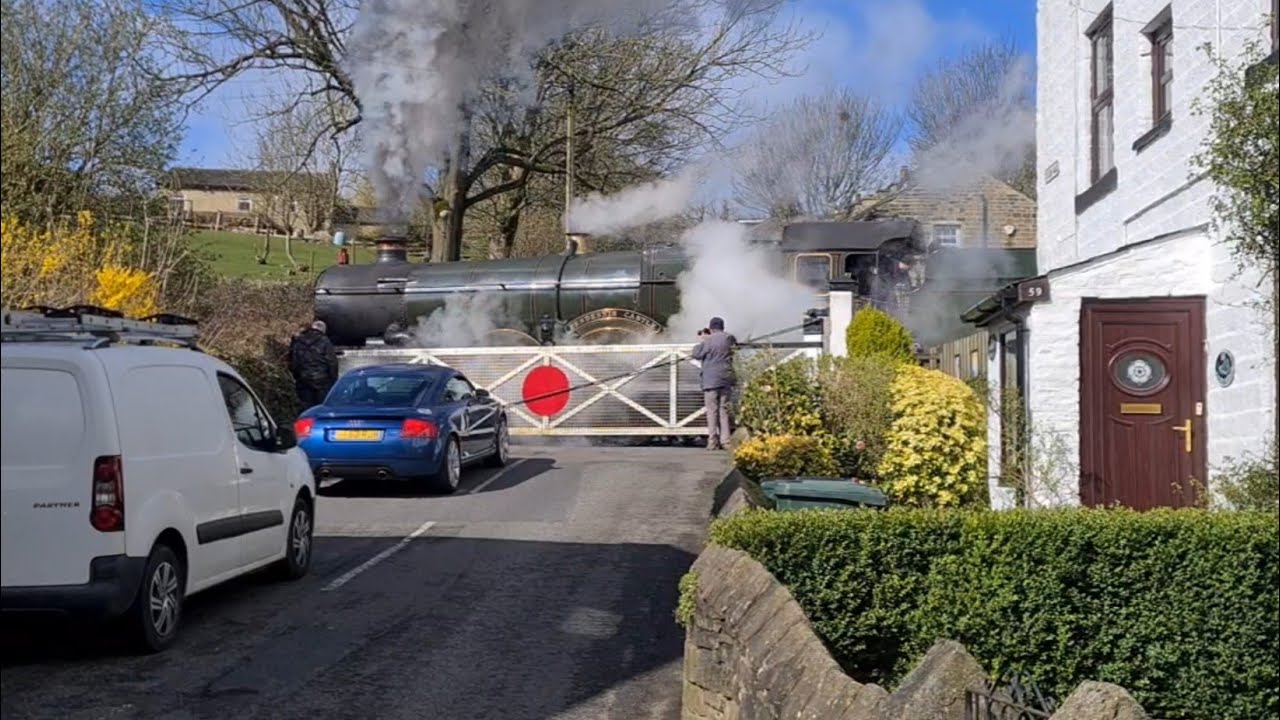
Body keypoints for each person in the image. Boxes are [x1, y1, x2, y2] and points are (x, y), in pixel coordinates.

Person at [691, 317, 737, 451]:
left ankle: (712, 441)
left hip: (710, 380)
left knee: (712, 411)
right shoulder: (729, 338)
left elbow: (697, 354)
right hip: (726, 379)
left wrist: (702, 341)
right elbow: (735, 346)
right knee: (724, 411)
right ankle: (726, 441)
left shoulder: (708, 340)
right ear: (722, 327)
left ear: (711, 328)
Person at [289, 320, 339, 409]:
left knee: (306, 407)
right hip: (322, 381)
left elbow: (294, 361)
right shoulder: (325, 341)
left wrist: (297, 376)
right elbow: (332, 362)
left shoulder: (299, 340)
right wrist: (333, 379)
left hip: (303, 380)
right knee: (322, 407)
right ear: (323, 330)